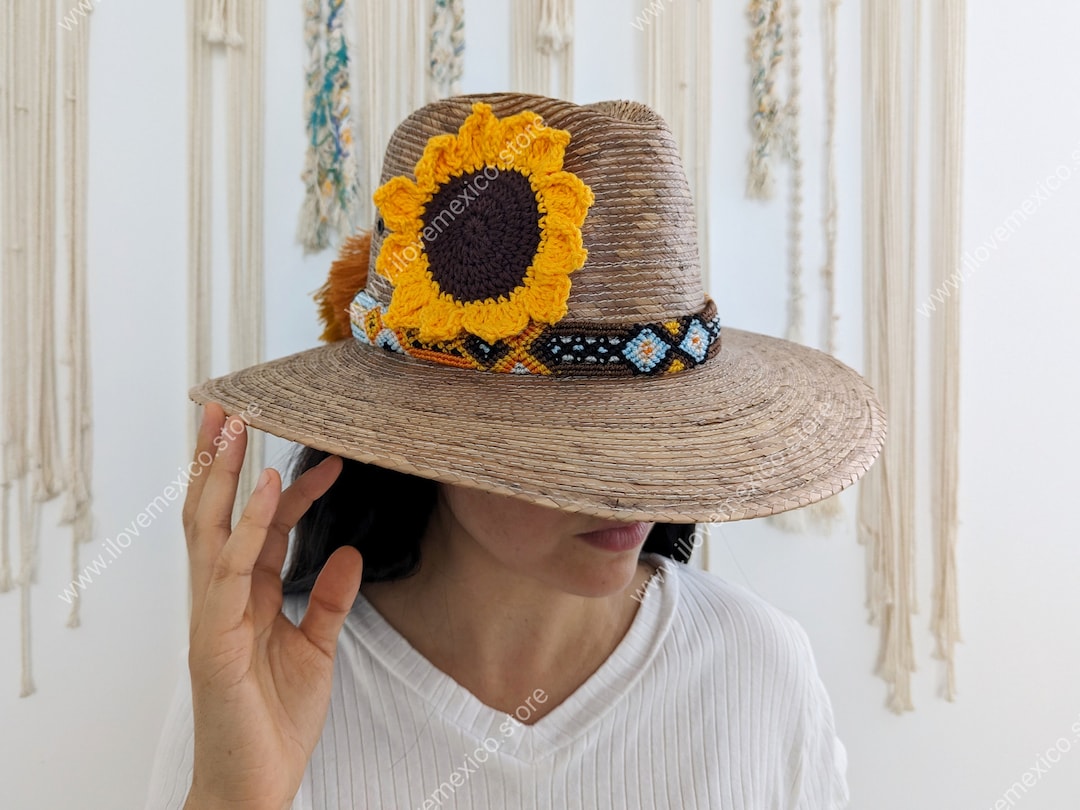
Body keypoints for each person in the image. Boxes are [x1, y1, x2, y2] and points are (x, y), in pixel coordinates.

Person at [147, 93, 885, 810]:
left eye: (656, 436)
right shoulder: (264, 678)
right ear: (422, 430)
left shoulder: (758, 670)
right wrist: (238, 797)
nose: (631, 486)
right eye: (572, 443)